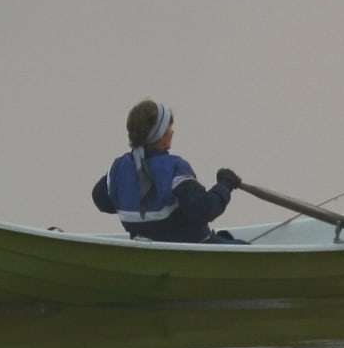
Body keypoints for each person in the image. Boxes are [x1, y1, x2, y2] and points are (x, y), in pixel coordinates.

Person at [91, 99, 245, 243]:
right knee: (244, 246)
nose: (172, 132)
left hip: (144, 245)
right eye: (169, 129)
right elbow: (203, 210)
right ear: (161, 136)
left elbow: (101, 201)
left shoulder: (119, 167)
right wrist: (224, 185)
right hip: (192, 247)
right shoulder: (175, 168)